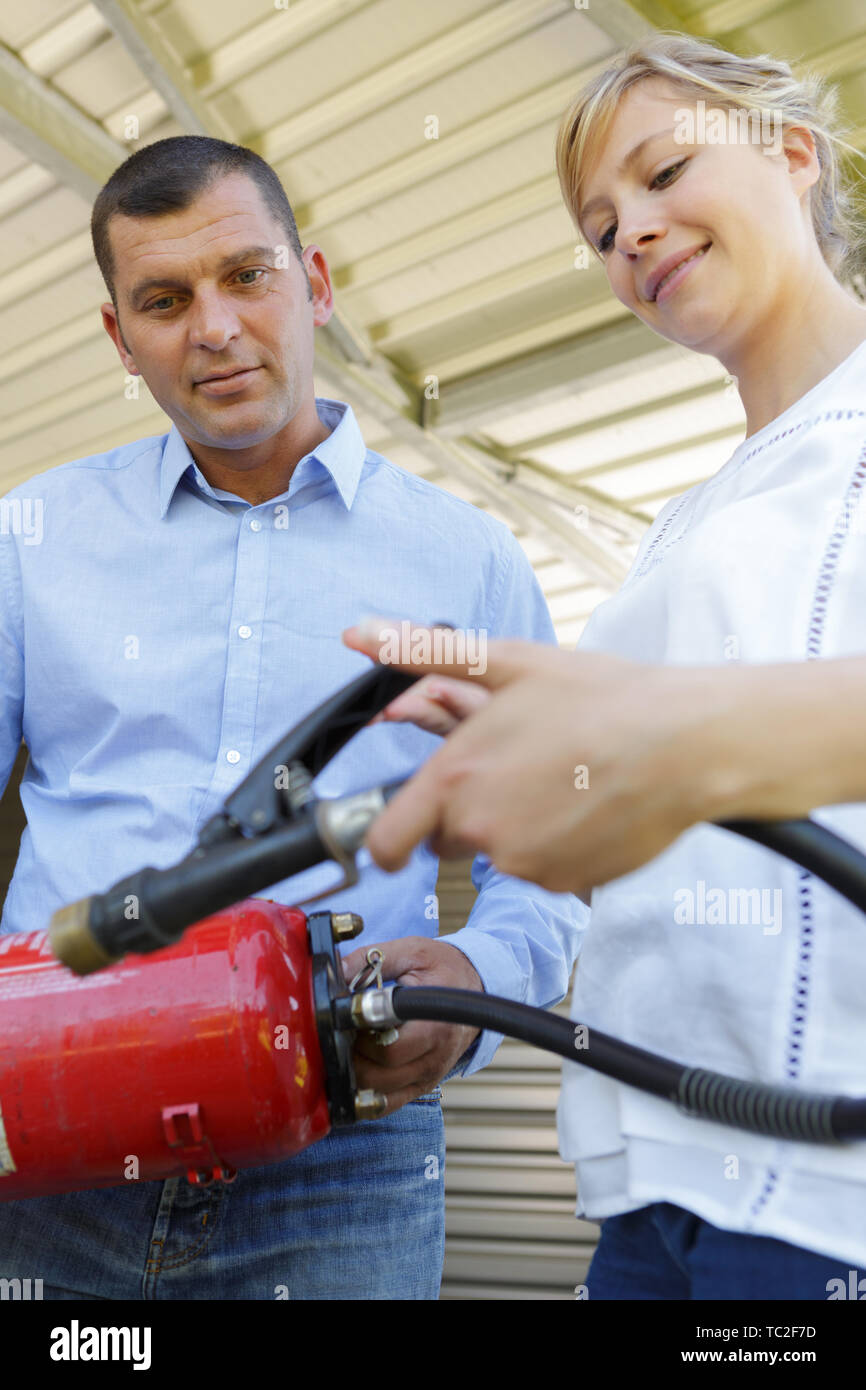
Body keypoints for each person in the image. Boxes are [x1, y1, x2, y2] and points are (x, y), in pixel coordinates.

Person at [0, 135, 586, 1300]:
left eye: (246, 277)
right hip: (52, 1120)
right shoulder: (34, 537)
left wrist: (471, 978)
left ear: (312, 283)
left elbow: (556, 847)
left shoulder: (464, 557)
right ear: (121, 337)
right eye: (163, 300)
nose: (211, 328)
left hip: (345, 1151)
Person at [342, 33, 866, 1300]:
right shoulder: (678, 529)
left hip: (823, 1195)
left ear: (790, 152)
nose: (628, 230)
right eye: (597, 227)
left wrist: (674, 737)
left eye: (665, 168)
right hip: (656, 1173)